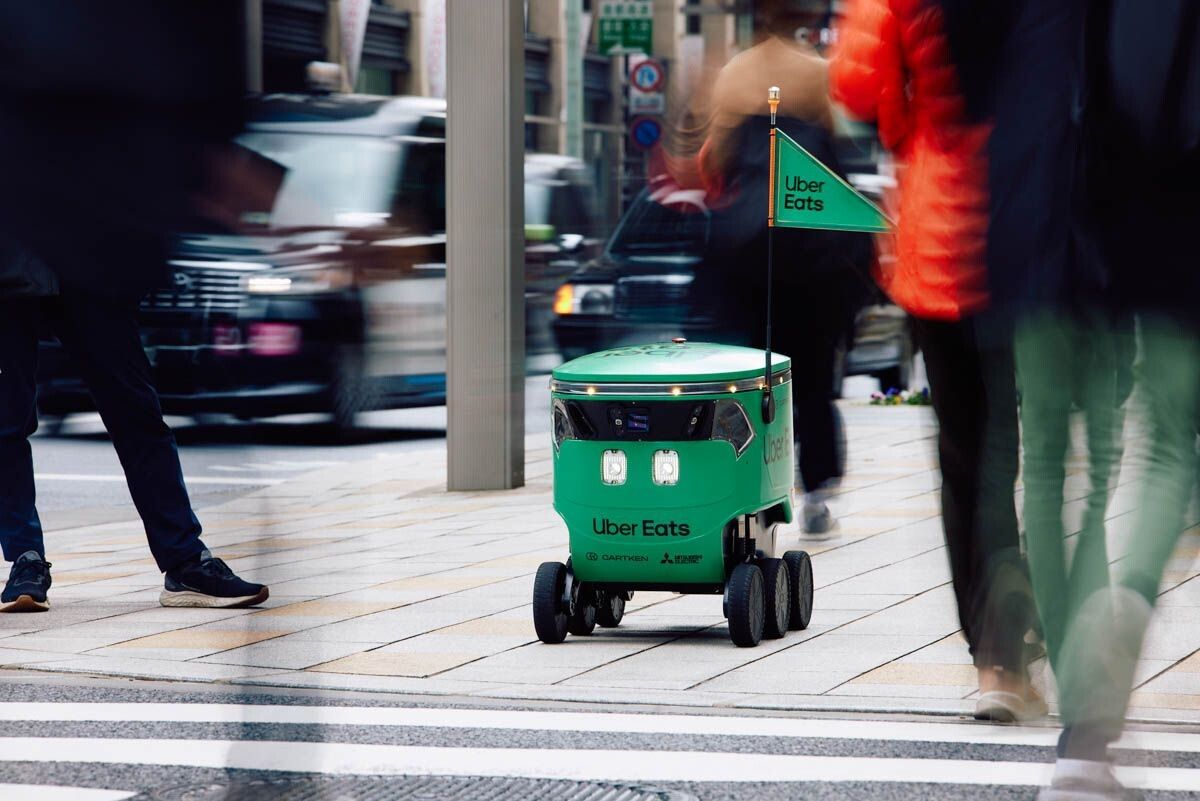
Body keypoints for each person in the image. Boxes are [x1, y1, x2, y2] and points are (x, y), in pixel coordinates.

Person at [0, 1, 269, 613]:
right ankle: (24, 561)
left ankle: (185, 561)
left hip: (90, 260)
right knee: (6, 423)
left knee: (136, 414)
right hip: (9, 263)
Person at [831, 0, 1043, 721]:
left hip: (937, 242)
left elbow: (855, 82)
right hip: (1024, 230)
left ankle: (995, 663)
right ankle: (1029, 629)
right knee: (1027, 452)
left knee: (966, 457)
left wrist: (903, 114)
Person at [685, 0, 873, 537]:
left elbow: (710, 163)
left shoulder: (734, 73)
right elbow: (837, 164)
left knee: (747, 377)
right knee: (812, 380)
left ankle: (748, 489)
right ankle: (816, 492)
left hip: (749, 261)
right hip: (812, 260)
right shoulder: (817, 73)